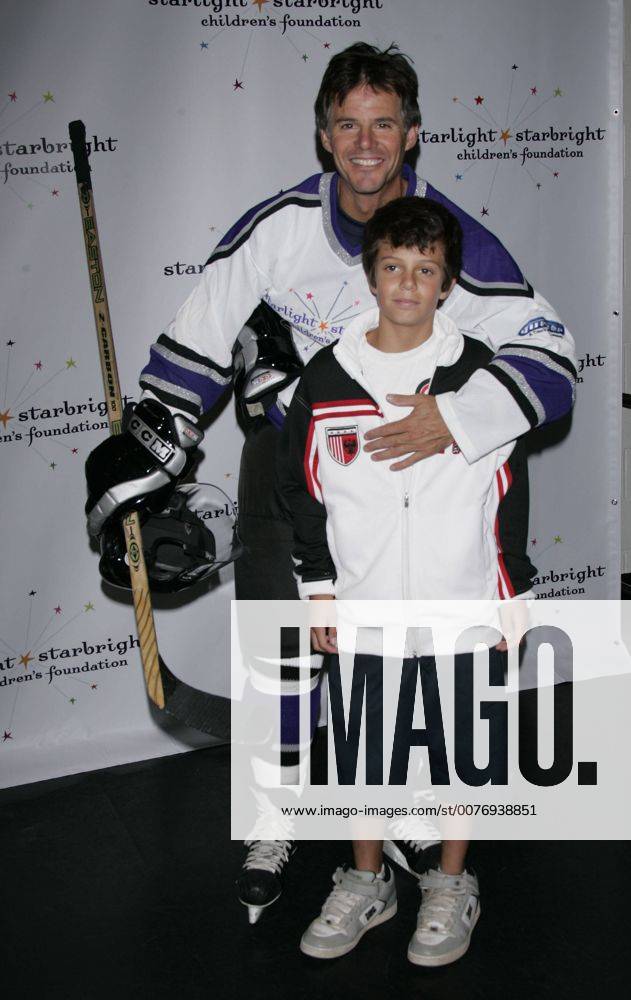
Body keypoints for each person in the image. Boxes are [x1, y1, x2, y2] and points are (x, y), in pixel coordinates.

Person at [83, 43, 576, 924]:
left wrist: (454, 417)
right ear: (323, 135)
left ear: (411, 134)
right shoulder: (277, 228)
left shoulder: (447, 237)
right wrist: (147, 450)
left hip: (408, 476)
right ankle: (278, 815)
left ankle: (404, 811)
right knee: (283, 650)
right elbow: (196, 344)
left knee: (402, 661)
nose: (365, 142)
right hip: (293, 463)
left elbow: (552, 355)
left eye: (383, 124)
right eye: (348, 124)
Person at [278, 195, 535, 966]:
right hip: (362, 606)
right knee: (362, 753)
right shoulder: (327, 377)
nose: (407, 285)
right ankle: (367, 880)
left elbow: (506, 493)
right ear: (370, 274)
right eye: (393, 267)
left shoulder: (478, 376)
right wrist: (319, 591)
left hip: (462, 600)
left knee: (461, 752)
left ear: (447, 283)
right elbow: (302, 494)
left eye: (425, 271)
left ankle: (450, 883)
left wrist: (511, 593)